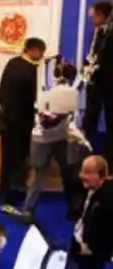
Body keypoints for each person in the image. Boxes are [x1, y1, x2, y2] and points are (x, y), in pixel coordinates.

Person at [22, 60, 84, 220]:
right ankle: (74, 209)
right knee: (68, 174)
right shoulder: (73, 94)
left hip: (40, 138)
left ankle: (28, 210)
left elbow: (42, 116)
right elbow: (73, 118)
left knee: (37, 175)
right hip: (61, 137)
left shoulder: (45, 93)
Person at [0, 37, 45, 214]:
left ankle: (6, 193)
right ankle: (9, 195)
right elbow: (31, 99)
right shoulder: (29, 71)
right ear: (33, 50)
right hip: (18, 124)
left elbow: (2, 92)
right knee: (14, 160)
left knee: (9, 161)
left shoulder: (13, 64)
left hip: (7, 122)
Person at [73, 155, 113, 269]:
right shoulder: (89, 188)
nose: (82, 176)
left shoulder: (108, 199)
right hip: (82, 246)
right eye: (83, 171)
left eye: (88, 172)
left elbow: (107, 231)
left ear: (101, 175)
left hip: (93, 252)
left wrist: (90, 248)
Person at [84, 0, 113, 153]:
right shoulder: (98, 32)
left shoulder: (110, 33)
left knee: (111, 121)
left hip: (109, 84)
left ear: (102, 15)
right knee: (89, 119)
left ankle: (108, 161)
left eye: (94, 16)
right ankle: (89, 153)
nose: (92, 20)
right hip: (94, 83)